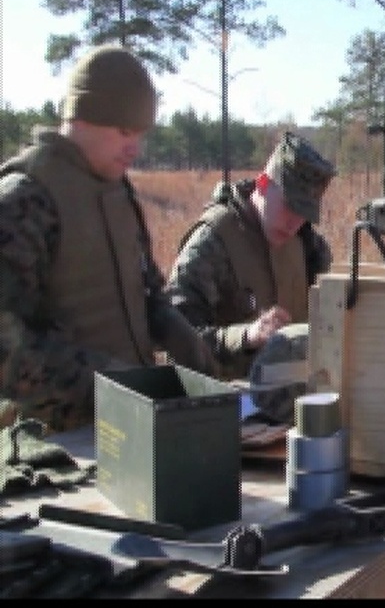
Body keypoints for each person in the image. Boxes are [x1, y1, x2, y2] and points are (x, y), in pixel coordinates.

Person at [0, 45, 217, 433]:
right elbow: (7, 347)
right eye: (123, 132)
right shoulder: (25, 199)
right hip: (57, 441)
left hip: (132, 424)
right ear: (82, 118)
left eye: (140, 134)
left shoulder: (117, 192)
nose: (135, 148)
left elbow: (146, 288)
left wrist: (175, 330)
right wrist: (107, 382)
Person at [164, 131, 336, 382]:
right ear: (263, 184)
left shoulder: (308, 245)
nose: (294, 223)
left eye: (304, 213)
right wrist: (245, 336)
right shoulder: (213, 241)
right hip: (229, 398)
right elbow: (178, 341)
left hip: (294, 395)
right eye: (289, 207)